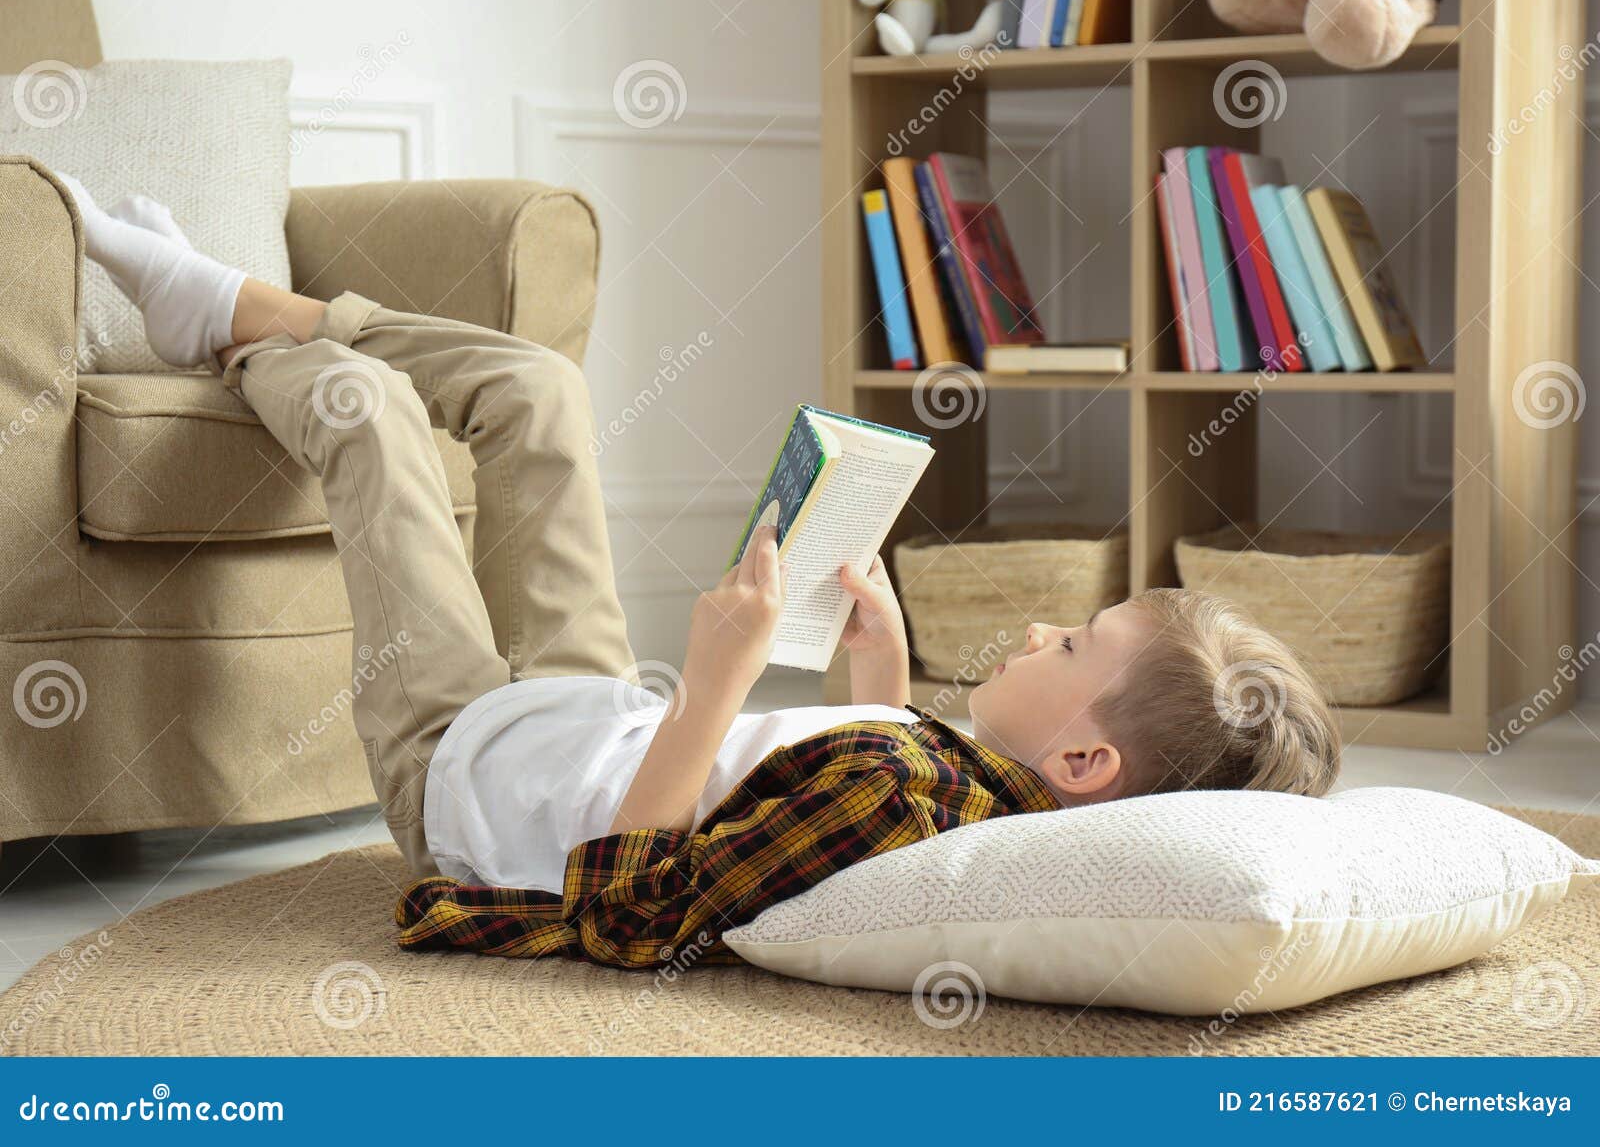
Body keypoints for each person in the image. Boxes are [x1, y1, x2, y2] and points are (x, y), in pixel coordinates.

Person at [56, 173, 1342, 970]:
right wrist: (877, 663)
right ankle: (240, 305)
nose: (1045, 625)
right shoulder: (959, 778)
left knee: (364, 410)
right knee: (538, 386)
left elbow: (628, 914)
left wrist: (713, 686)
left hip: (463, 769)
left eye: (1074, 647)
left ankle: (234, 329)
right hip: (582, 717)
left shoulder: (901, 798)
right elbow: (888, 754)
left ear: (1083, 762)